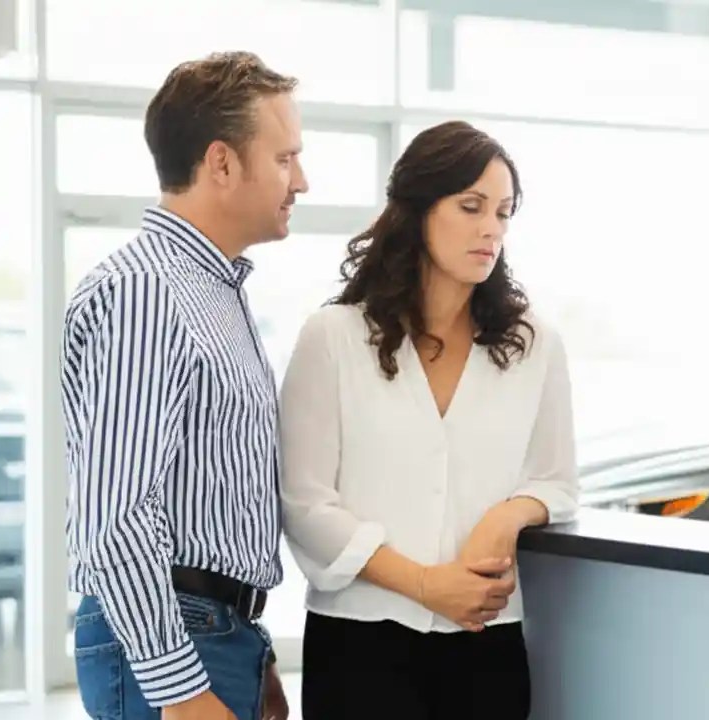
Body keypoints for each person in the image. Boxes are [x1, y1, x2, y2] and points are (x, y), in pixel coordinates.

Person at [278, 120, 578, 719]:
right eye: (471, 207)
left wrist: (509, 513)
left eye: (503, 212)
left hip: (485, 644)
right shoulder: (334, 338)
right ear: (417, 210)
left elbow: (557, 481)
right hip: (361, 644)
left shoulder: (532, 343)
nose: (490, 228)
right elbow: (305, 505)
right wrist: (422, 583)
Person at [63, 51, 307, 719]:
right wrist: (182, 691)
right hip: (171, 645)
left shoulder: (211, 290)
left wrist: (250, 647)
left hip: (211, 632)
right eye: (285, 158)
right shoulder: (148, 291)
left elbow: (210, 498)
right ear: (222, 163)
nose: (302, 180)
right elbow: (117, 516)